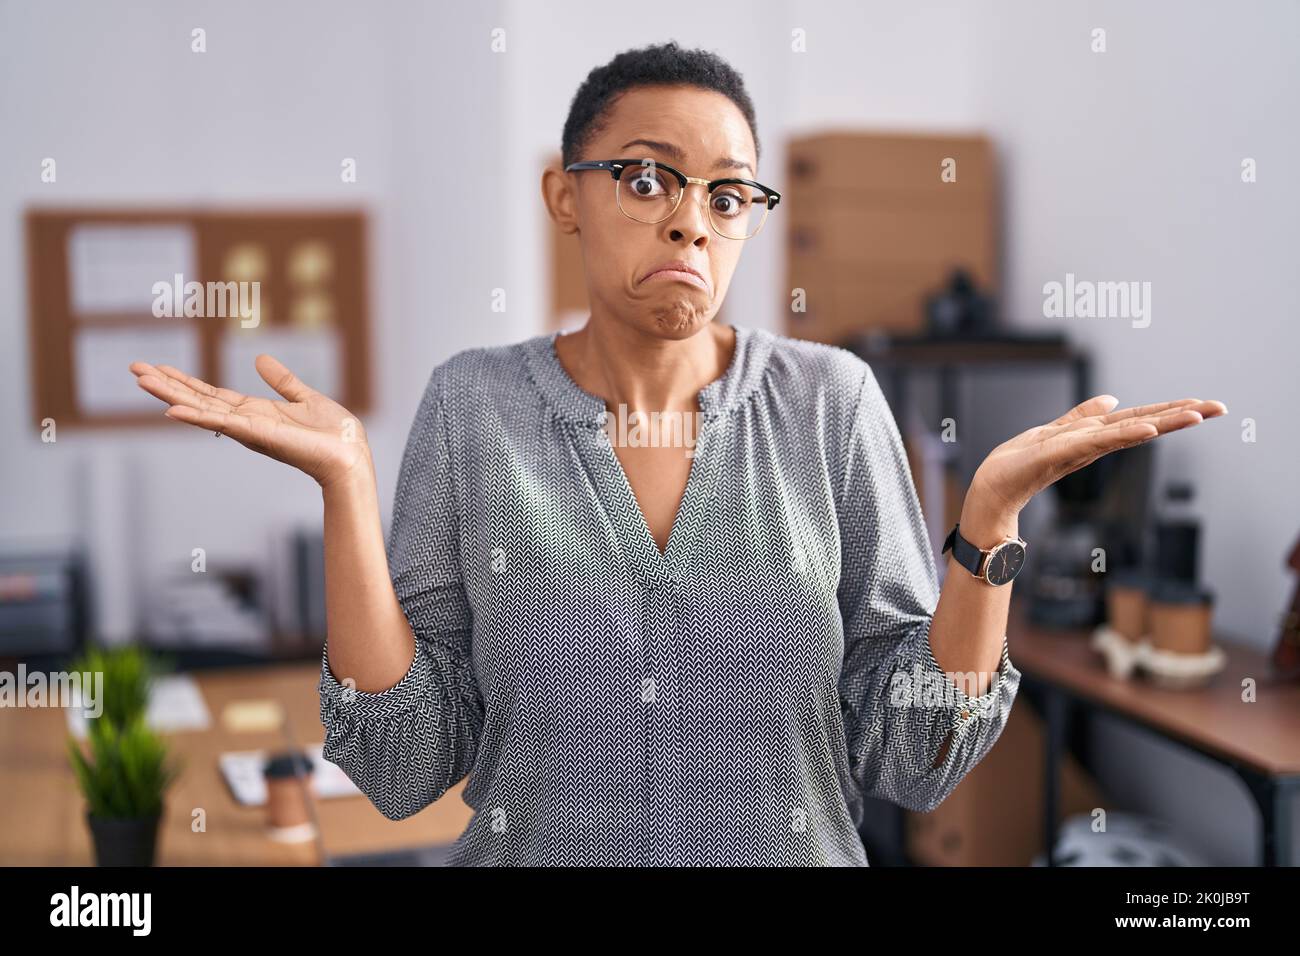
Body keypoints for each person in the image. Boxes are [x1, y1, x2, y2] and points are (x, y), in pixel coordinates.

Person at [129, 41, 1226, 865]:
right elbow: (409, 765)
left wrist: (984, 527)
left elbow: (910, 755)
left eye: (727, 191)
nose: (692, 220)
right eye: (647, 178)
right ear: (565, 196)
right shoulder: (472, 406)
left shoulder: (831, 401)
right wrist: (346, 488)